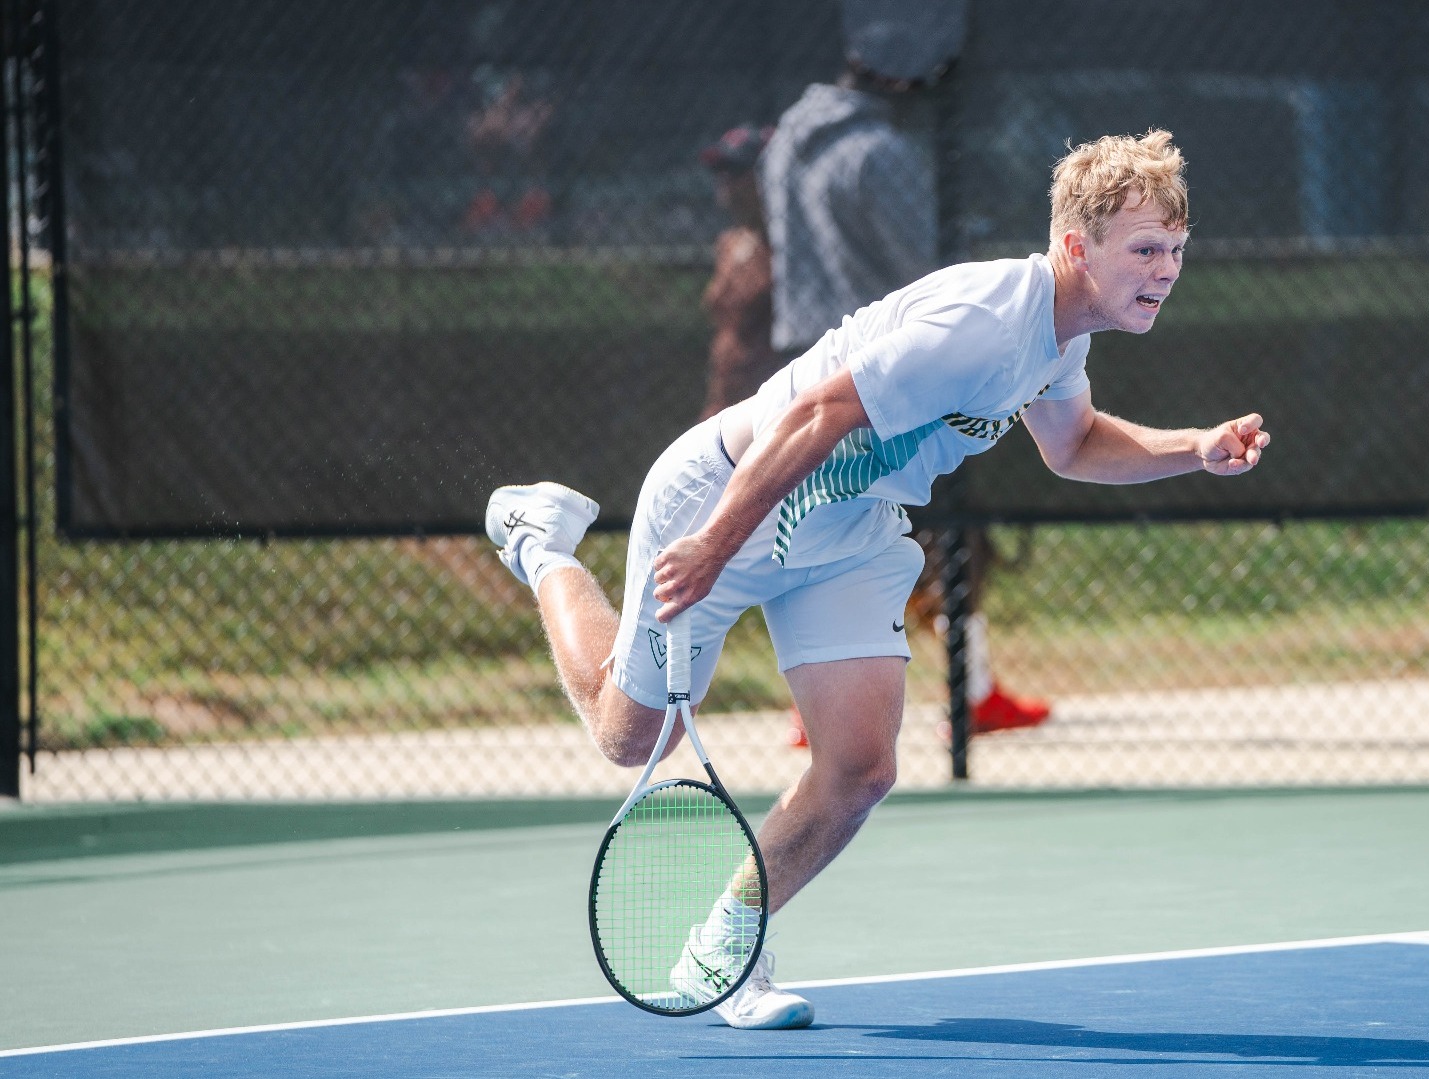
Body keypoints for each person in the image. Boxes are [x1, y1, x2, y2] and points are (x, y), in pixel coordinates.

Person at [486, 129, 1269, 1029]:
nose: (1164, 267)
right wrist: (710, 544)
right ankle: (543, 544)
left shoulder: (1059, 339)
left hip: (850, 527)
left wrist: (1196, 449)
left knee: (858, 768)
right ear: (1074, 247)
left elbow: (1074, 444)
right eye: (1143, 249)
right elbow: (817, 415)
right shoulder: (983, 319)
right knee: (632, 738)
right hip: (732, 496)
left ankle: (728, 945)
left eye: (1173, 247)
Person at [762, 0, 1049, 745]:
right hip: (889, 378)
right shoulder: (879, 155)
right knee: (942, 534)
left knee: (826, 530)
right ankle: (973, 693)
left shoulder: (788, 137)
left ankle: (818, 705)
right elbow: (930, 275)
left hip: (802, 366)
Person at [696, 125, 781, 421]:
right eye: (720, 172)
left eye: (736, 171)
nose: (725, 182)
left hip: (769, 408)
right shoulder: (730, 242)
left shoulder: (791, 251)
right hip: (723, 401)